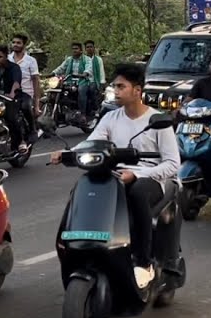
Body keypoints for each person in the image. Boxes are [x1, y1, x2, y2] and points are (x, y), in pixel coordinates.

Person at [52, 63, 179, 290]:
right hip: (116, 173)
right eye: (115, 86)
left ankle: (143, 261)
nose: (116, 91)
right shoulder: (111, 117)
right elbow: (94, 140)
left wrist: (138, 174)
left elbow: (172, 164)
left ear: (137, 90)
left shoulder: (158, 121)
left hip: (151, 177)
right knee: (83, 187)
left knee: (138, 194)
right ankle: (74, 247)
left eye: (122, 86)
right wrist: (68, 153)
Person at [53, 42, 95, 117]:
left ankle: (83, 114)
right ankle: (63, 109)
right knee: (59, 88)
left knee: (81, 90)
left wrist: (84, 74)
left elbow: (89, 68)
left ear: (81, 50)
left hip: (83, 80)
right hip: (69, 81)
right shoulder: (69, 59)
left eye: (76, 49)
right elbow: (61, 68)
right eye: (73, 49)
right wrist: (53, 73)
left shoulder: (87, 59)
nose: (74, 50)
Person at [10, 33, 42, 128]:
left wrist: (36, 104)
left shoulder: (31, 61)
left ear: (24, 45)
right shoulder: (7, 59)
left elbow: (36, 81)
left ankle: (32, 129)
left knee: (25, 107)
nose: (15, 44)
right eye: (13, 42)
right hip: (8, 94)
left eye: (18, 43)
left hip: (25, 94)